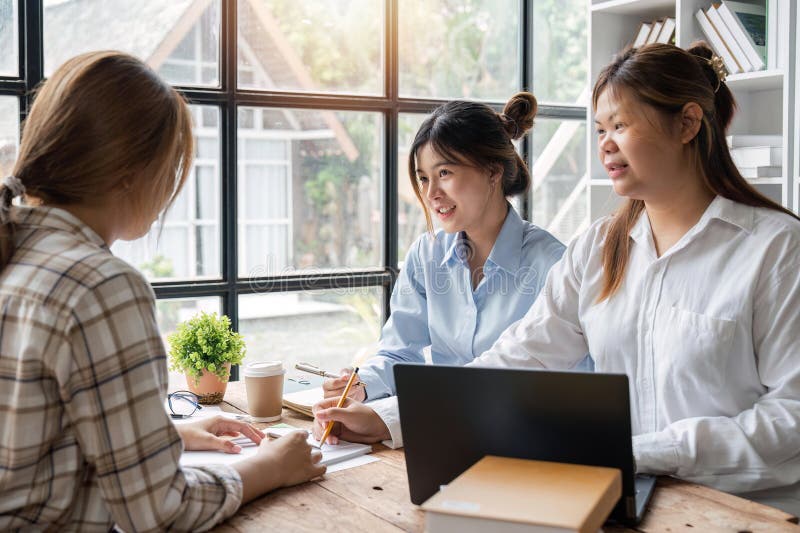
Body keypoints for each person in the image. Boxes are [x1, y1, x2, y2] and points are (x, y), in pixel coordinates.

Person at [313, 42, 800, 514]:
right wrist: (391, 419)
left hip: (744, 510)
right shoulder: (597, 250)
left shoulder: (776, 249)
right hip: (620, 495)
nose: (604, 144)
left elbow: (792, 414)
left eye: (620, 125)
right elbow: (518, 360)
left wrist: (647, 452)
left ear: (688, 123)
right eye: (599, 129)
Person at [0, 51, 324, 531]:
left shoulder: (18, 253)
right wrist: (270, 467)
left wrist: (167, 434)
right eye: (172, 167)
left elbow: (32, 441)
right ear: (130, 172)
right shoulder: (101, 286)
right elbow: (158, 511)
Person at [320, 92, 566, 438]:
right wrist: (361, 385)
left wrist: (388, 420)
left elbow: (535, 386)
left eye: (445, 173)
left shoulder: (553, 265)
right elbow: (400, 351)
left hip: (521, 439)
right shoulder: (427, 254)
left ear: (493, 171)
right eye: (423, 178)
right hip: (440, 435)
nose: (431, 193)